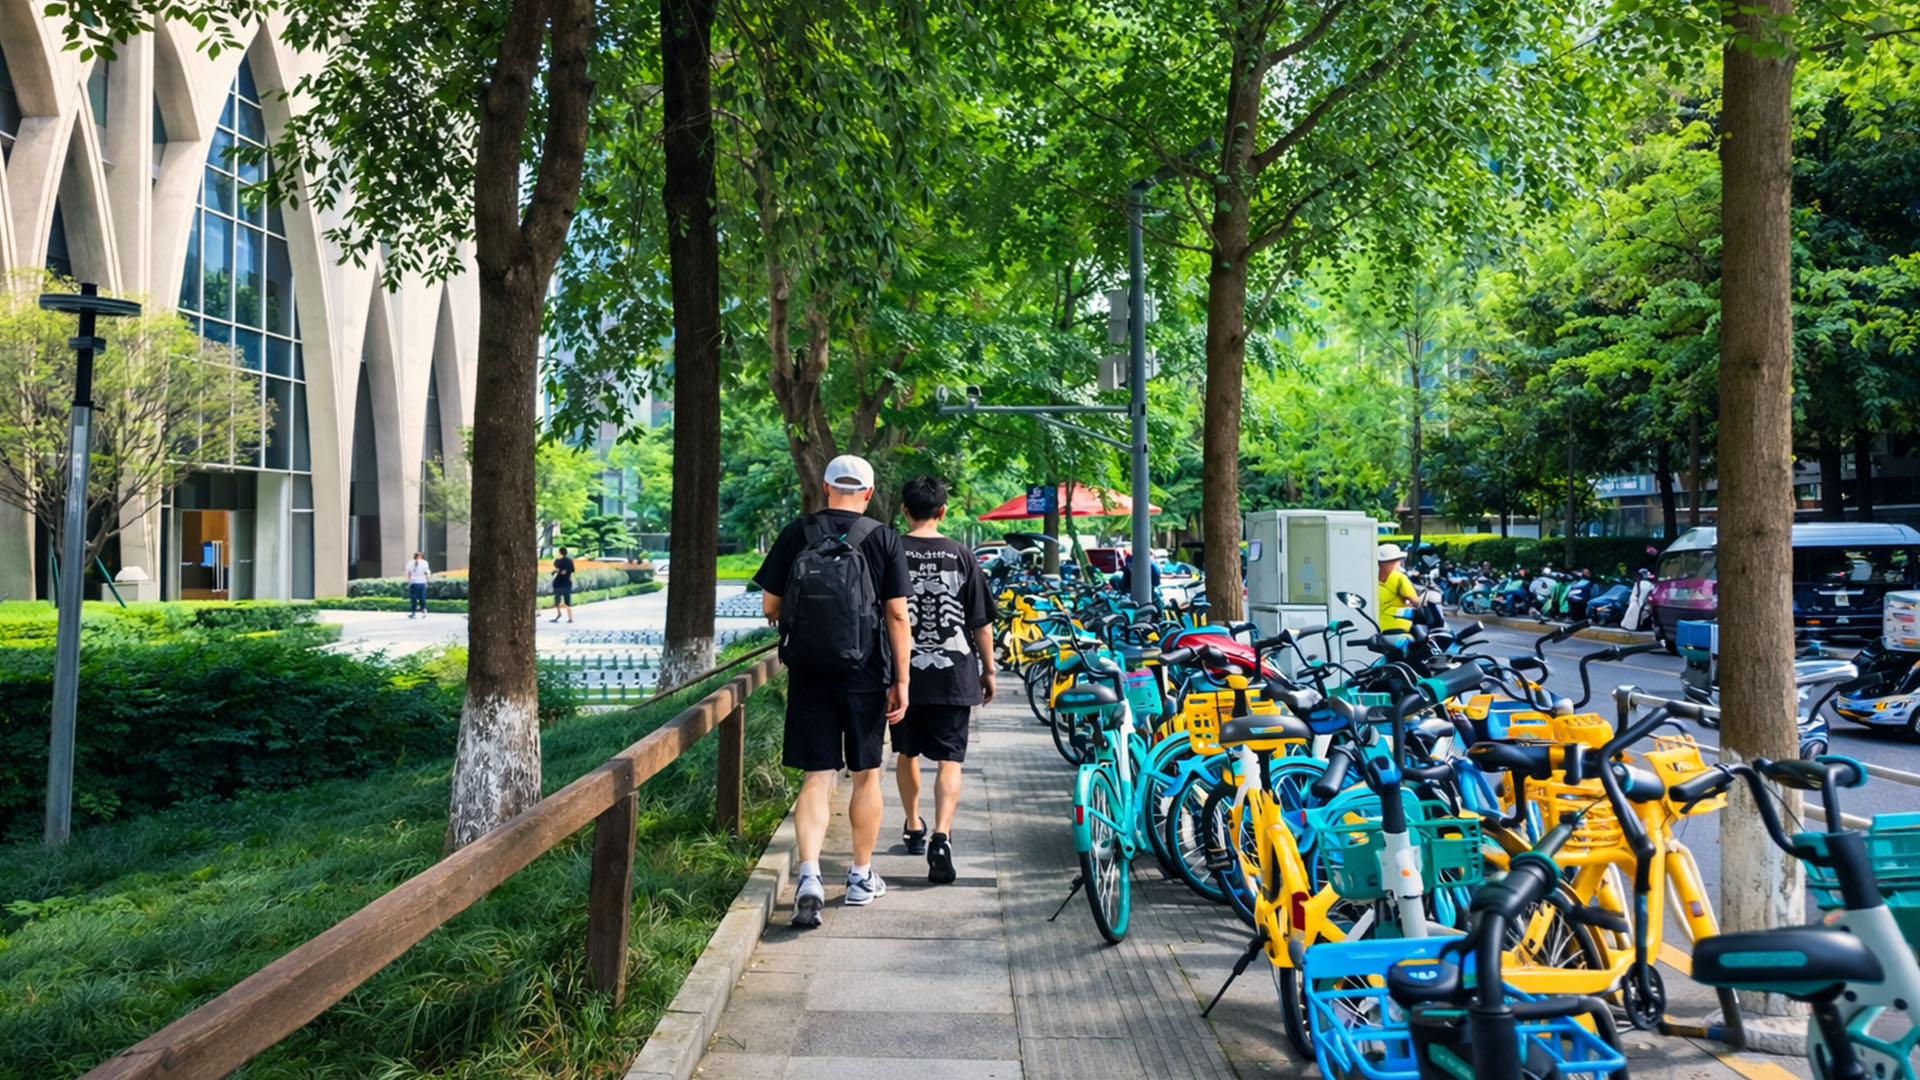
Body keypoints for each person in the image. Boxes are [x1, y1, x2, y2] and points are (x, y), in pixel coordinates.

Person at [754, 454, 911, 926]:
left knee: (817, 776)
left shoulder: (797, 533)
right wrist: (902, 681)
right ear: (867, 492)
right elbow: (898, 615)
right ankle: (861, 878)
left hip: (809, 675)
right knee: (866, 774)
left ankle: (809, 876)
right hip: (866, 675)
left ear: (825, 488)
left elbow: (769, 606)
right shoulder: (883, 538)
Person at [892, 475, 997, 884]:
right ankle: (942, 834)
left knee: (907, 752)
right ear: (943, 511)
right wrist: (988, 670)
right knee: (951, 760)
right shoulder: (962, 554)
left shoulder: (891, 551)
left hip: (904, 674)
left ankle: (913, 824)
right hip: (955, 673)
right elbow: (980, 624)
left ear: (904, 510)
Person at [1376, 543, 1421, 632]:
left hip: (1378, 625)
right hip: (1399, 627)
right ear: (1395, 560)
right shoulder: (1398, 577)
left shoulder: (1373, 576)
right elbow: (1417, 602)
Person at [550, 547, 575, 623]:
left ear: (560, 553)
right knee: (567, 601)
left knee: (557, 600)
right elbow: (572, 571)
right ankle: (570, 617)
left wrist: (557, 570)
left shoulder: (559, 561)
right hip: (567, 583)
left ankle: (559, 614)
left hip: (558, 584)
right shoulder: (569, 561)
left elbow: (555, 565)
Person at [405, 551, 432, 618]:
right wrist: (427, 581)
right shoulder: (424, 563)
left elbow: (409, 573)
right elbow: (426, 573)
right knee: (422, 597)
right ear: (421, 556)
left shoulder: (410, 562)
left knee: (413, 598)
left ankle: (413, 613)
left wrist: (409, 581)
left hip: (414, 583)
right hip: (422, 583)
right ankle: (423, 611)